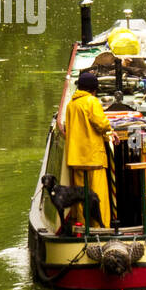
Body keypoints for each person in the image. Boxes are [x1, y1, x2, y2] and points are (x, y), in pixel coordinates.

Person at [64, 70, 114, 227]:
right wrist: (110, 131)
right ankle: (101, 226)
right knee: (98, 195)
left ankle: (82, 225)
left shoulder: (71, 104)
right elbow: (102, 124)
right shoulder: (91, 101)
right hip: (93, 158)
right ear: (94, 89)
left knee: (81, 195)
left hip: (76, 158)